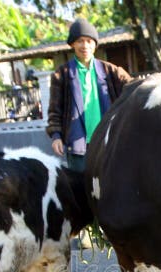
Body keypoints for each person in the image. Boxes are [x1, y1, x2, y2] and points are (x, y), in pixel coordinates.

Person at [47, 18, 132, 173]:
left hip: (108, 140)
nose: (85, 45)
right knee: (81, 185)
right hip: (78, 145)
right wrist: (56, 136)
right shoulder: (62, 74)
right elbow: (54, 110)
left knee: (112, 182)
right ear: (72, 44)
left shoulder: (110, 71)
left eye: (89, 41)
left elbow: (133, 87)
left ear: (95, 44)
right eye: (80, 41)